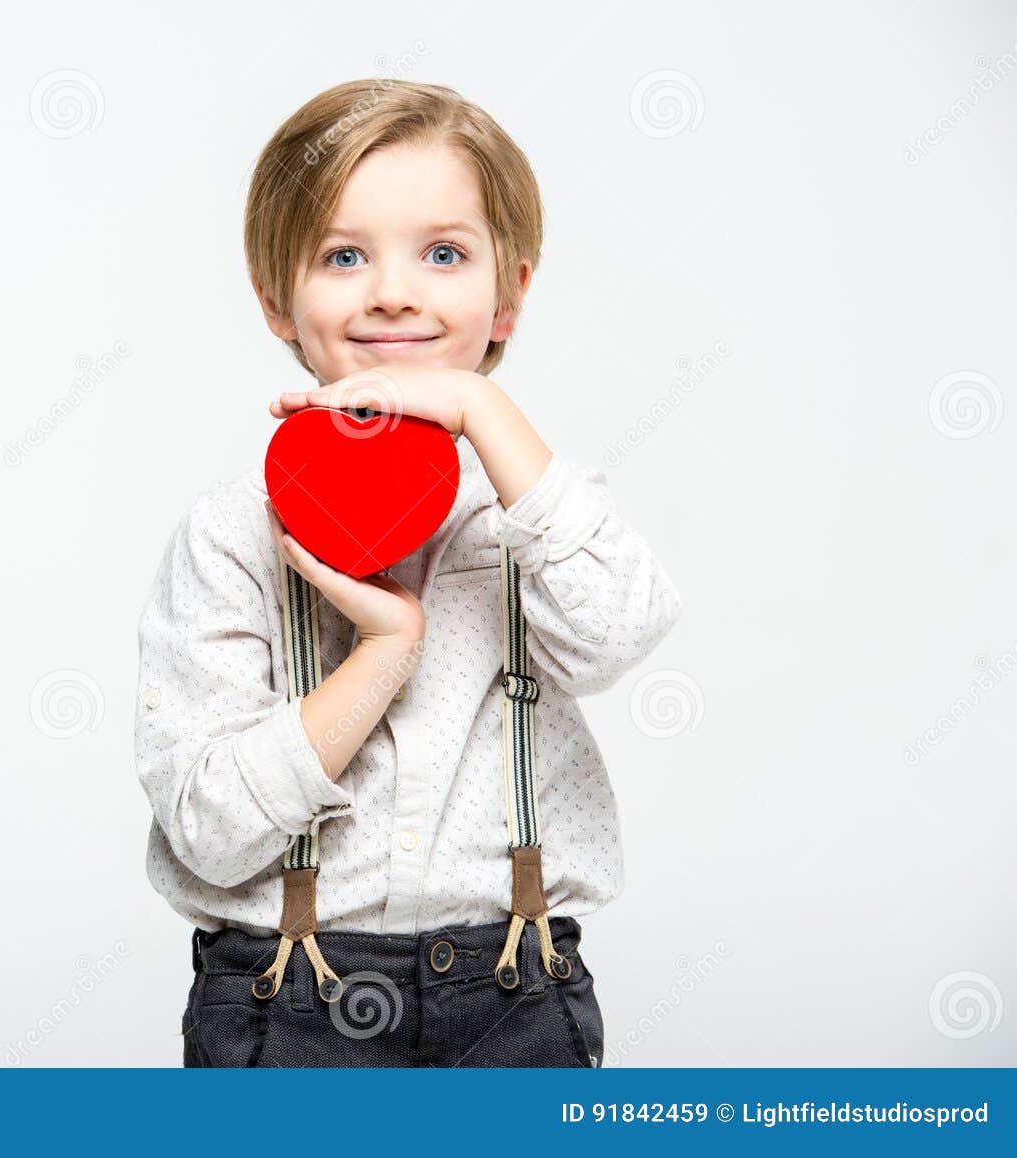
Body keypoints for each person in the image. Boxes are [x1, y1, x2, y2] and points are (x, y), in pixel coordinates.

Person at [134, 79, 684, 1067]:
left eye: (443, 254)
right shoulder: (228, 535)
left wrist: (479, 409)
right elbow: (210, 829)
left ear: (508, 294)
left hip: (517, 986)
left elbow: (615, 634)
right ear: (273, 300)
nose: (393, 291)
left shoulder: (538, 511)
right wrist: (382, 653)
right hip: (281, 995)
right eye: (343, 256)